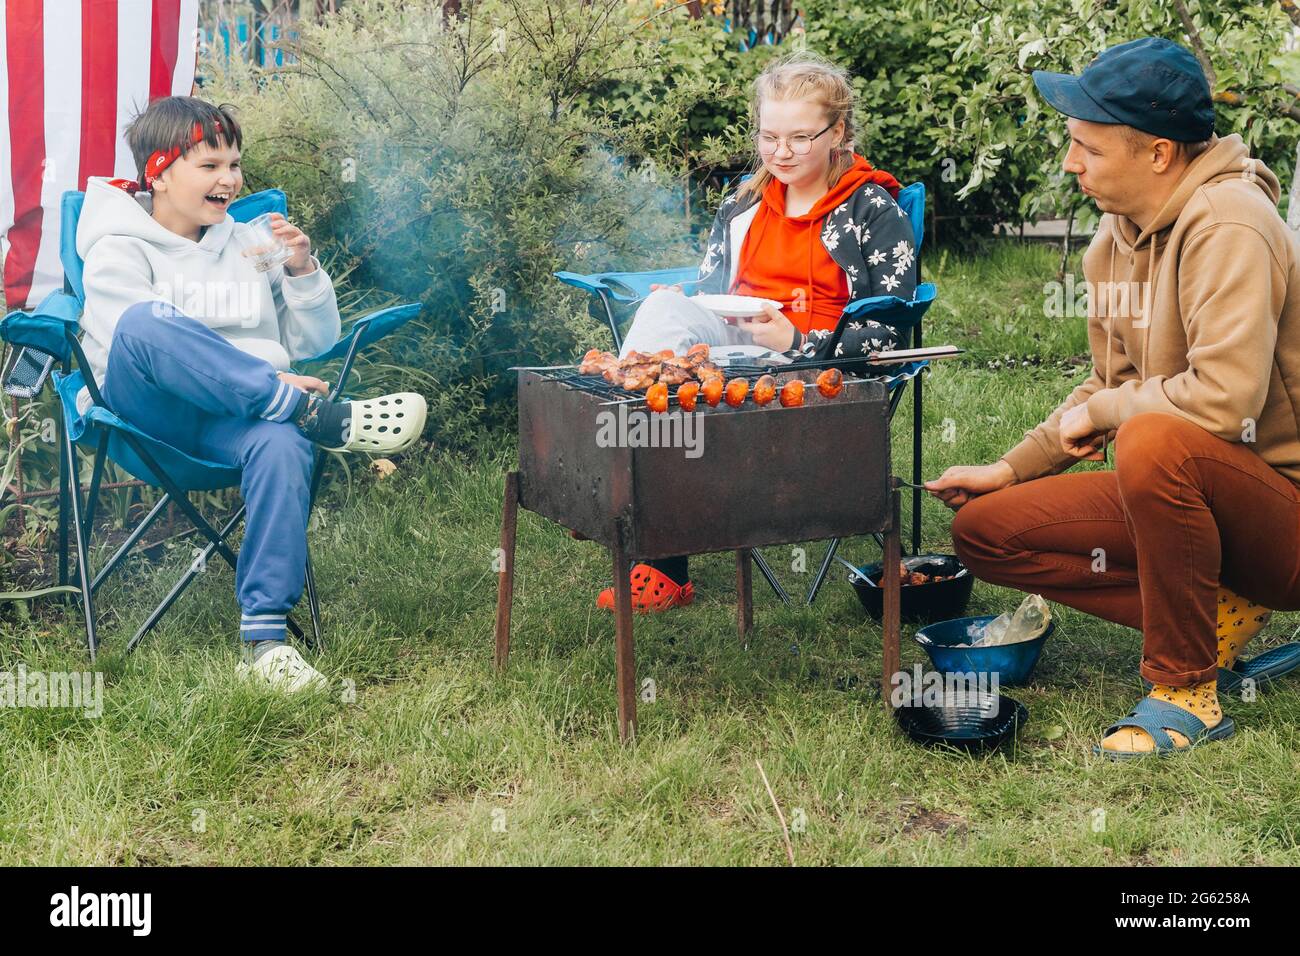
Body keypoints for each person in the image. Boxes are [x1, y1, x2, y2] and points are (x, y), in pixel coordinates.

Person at [927, 38, 1300, 757]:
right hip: (1205, 495)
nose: (1072, 164)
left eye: (1088, 148)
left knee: (1151, 438)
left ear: (1158, 153)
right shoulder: (1115, 235)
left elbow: (1226, 402)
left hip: (1284, 514)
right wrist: (1011, 467)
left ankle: (1186, 690)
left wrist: (1107, 414)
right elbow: (1109, 383)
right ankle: (1218, 610)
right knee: (985, 531)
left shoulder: (1230, 224)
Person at [77, 96, 427, 691]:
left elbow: (313, 340)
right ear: (159, 174)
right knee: (144, 321)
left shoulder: (250, 243)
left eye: (235, 164)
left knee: (282, 444)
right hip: (148, 418)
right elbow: (127, 341)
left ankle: (267, 643)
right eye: (210, 165)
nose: (230, 179)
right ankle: (306, 412)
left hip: (234, 421)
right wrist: (273, 385)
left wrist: (301, 271)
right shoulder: (119, 248)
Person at [598, 51, 918, 612]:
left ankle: (649, 536)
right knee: (663, 310)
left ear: (837, 132)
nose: (781, 153)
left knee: (688, 376)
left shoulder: (872, 210)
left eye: (800, 138)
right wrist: (684, 302)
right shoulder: (743, 201)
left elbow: (889, 331)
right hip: (732, 345)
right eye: (769, 137)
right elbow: (712, 288)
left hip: (812, 365)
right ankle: (624, 492)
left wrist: (795, 341)